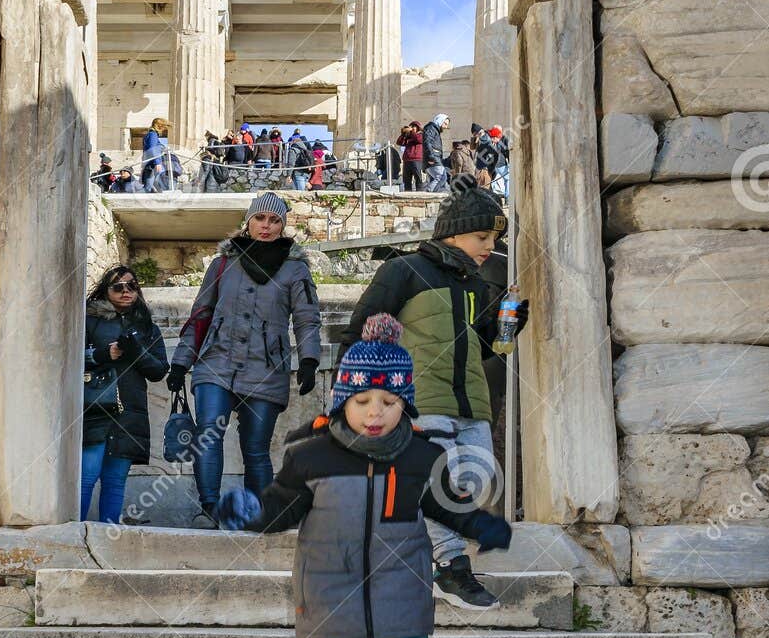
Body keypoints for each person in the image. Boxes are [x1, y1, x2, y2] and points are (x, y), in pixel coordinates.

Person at [219, 314, 511, 638]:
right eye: (362, 401)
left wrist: (482, 526)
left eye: (389, 402)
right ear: (342, 400)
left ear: (405, 403)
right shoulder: (311, 455)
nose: (375, 412)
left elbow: (445, 505)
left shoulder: (421, 457)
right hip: (330, 597)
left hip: (403, 597)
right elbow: (281, 508)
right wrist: (249, 513)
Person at [342, 178, 528, 609]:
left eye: (495, 238)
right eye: (483, 236)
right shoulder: (403, 270)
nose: (489, 246)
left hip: (471, 403)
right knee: (439, 484)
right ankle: (450, 568)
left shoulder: (476, 284)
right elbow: (362, 328)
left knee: (475, 481)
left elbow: (487, 347)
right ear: (453, 232)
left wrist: (508, 322)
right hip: (420, 397)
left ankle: (405, 538)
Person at [167, 192, 322, 527]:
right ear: (248, 221)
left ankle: (260, 515)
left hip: (266, 368)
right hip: (216, 361)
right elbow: (201, 313)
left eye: (274, 220)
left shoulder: (296, 270)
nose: (265, 226)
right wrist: (182, 361)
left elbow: (307, 318)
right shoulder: (223, 263)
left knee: (255, 447)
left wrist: (309, 360)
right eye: (260, 218)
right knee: (208, 432)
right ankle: (209, 508)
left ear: (282, 226)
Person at [82, 265, 169, 524]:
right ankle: (75, 533)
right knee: (87, 475)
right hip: (95, 406)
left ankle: (108, 536)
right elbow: (65, 357)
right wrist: (101, 355)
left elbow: (159, 371)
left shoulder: (147, 326)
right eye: (118, 287)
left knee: (116, 478)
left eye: (131, 286)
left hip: (130, 408)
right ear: (106, 291)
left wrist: (136, 351)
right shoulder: (88, 320)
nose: (125, 292)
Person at [141, 116, 170, 192]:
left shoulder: (151, 134)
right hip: (152, 164)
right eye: (164, 127)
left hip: (150, 163)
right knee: (149, 186)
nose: (164, 129)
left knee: (155, 185)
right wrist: (157, 162)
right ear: (159, 126)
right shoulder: (152, 135)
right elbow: (152, 149)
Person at [422, 113, 450, 190]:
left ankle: (430, 197)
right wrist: (431, 157)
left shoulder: (434, 130)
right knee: (441, 177)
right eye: (445, 123)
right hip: (433, 158)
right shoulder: (431, 128)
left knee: (432, 180)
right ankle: (427, 195)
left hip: (434, 157)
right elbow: (427, 142)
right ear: (440, 121)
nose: (446, 127)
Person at [397, 121, 424, 192]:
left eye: (414, 127)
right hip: (407, 160)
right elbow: (399, 142)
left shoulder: (421, 135)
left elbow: (418, 139)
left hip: (416, 160)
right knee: (406, 179)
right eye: (411, 127)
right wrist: (403, 134)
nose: (412, 128)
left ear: (418, 128)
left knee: (418, 178)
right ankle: (407, 192)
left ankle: (420, 193)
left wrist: (411, 131)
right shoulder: (409, 136)